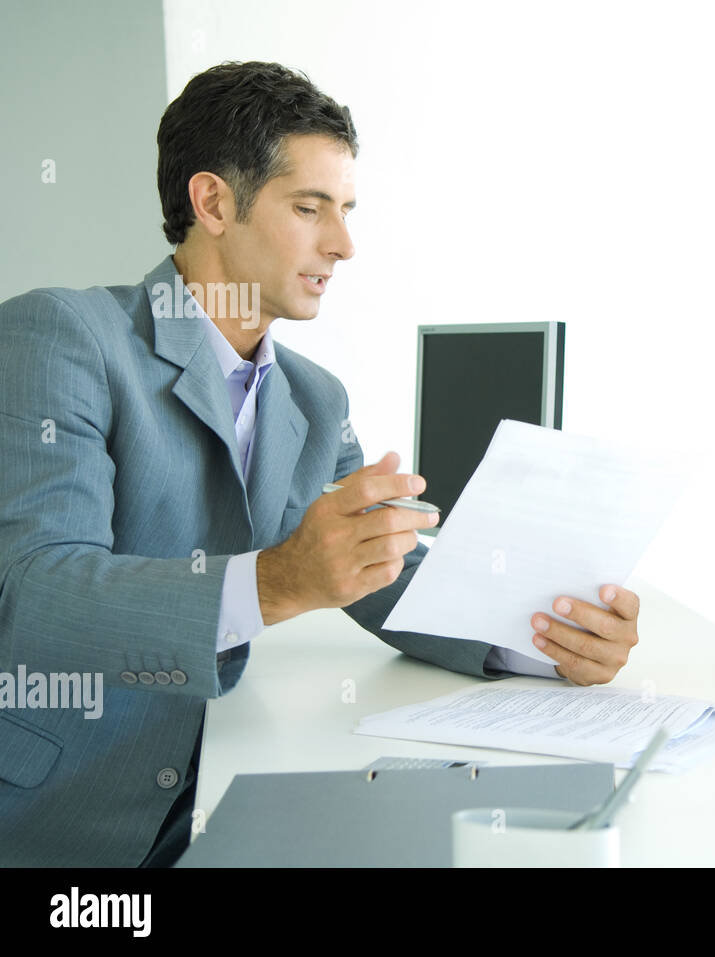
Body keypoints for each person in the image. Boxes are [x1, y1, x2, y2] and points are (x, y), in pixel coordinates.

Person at [0, 61, 640, 868]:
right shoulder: (63, 335)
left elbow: (382, 572)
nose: (342, 244)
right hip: (61, 821)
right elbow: (38, 592)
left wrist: (545, 636)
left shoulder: (312, 397)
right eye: (309, 209)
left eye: (345, 211)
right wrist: (277, 580)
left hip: (219, 789)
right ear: (213, 202)